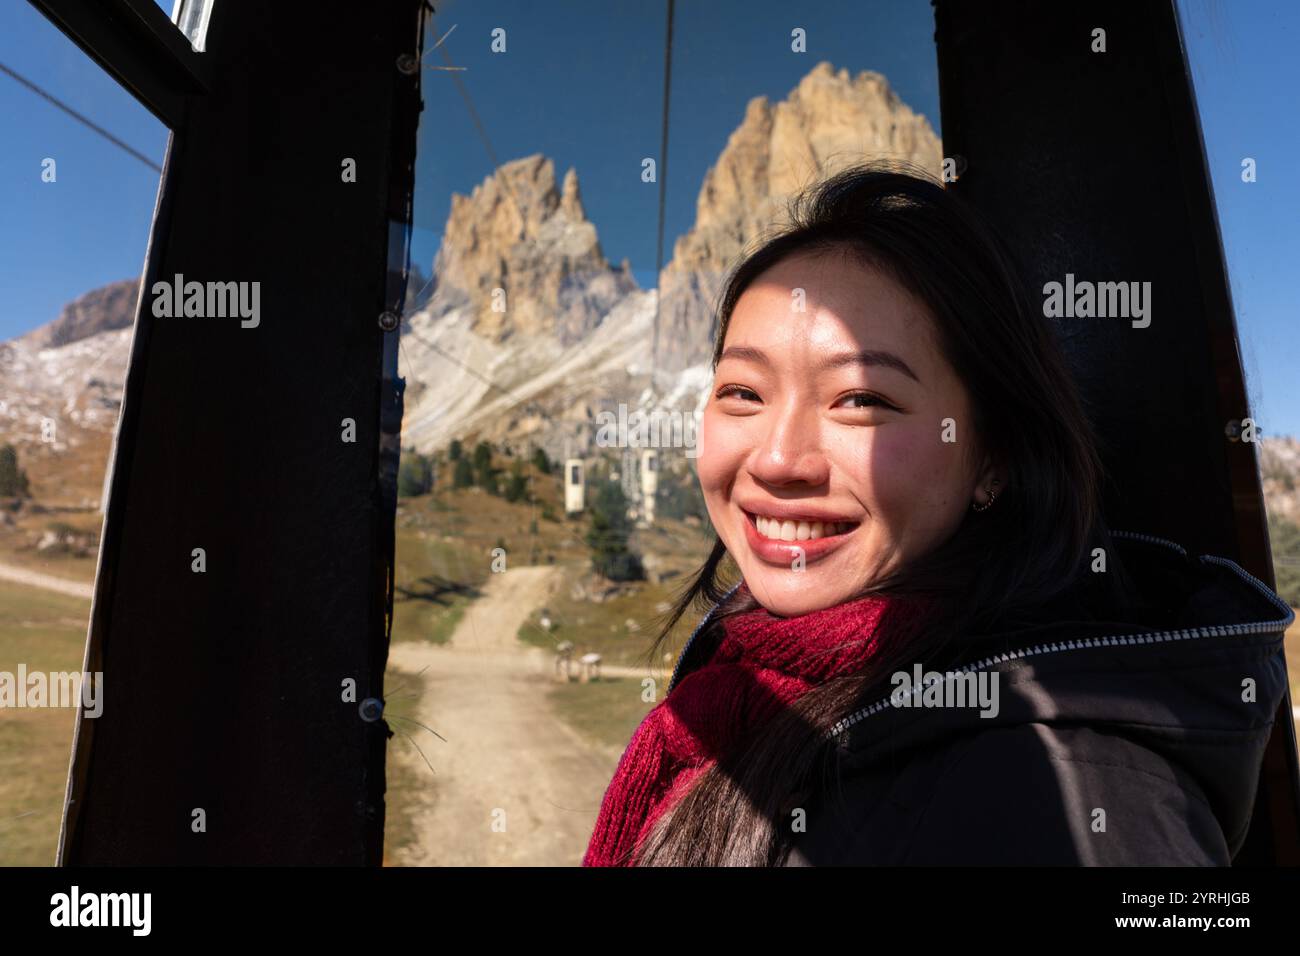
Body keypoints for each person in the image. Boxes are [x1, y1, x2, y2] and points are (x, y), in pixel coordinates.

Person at [581, 161, 1294, 866]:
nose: (775, 459)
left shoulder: (1065, 798)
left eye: (861, 400)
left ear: (994, 459)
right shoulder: (742, 685)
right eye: (741, 391)